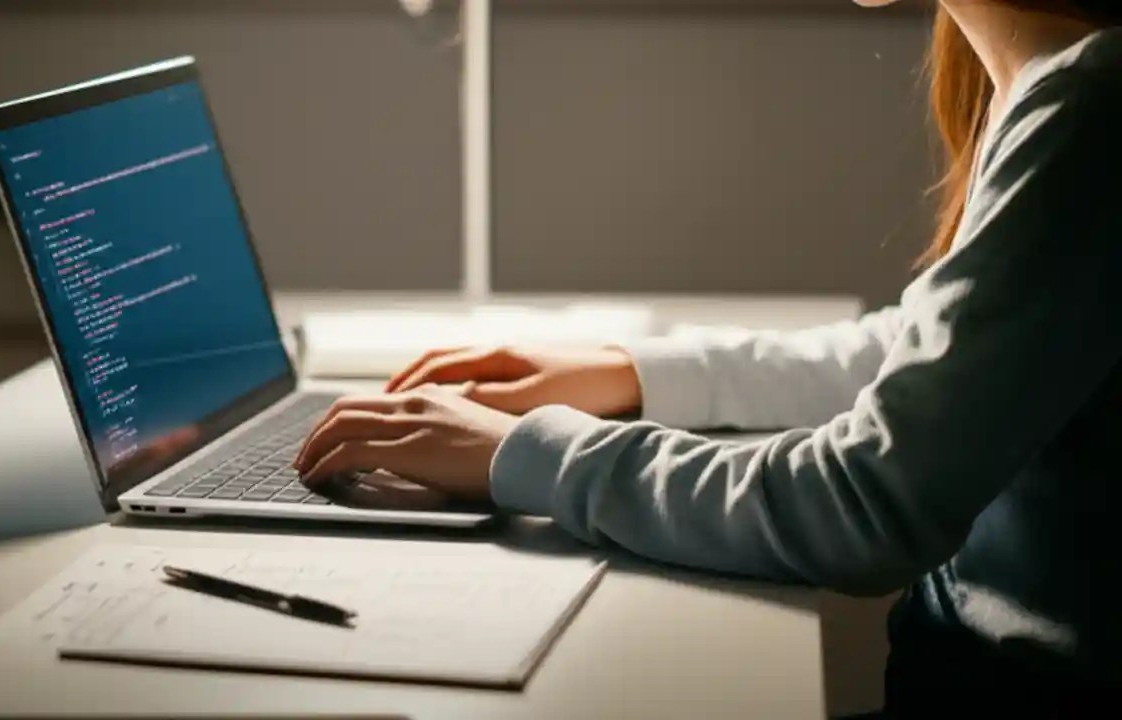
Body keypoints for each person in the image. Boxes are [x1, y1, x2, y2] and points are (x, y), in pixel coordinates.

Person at [295, 0, 1121, 711]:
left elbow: (867, 504)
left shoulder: (1090, 104)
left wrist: (526, 454)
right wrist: (634, 374)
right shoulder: (1041, 80)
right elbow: (916, 348)